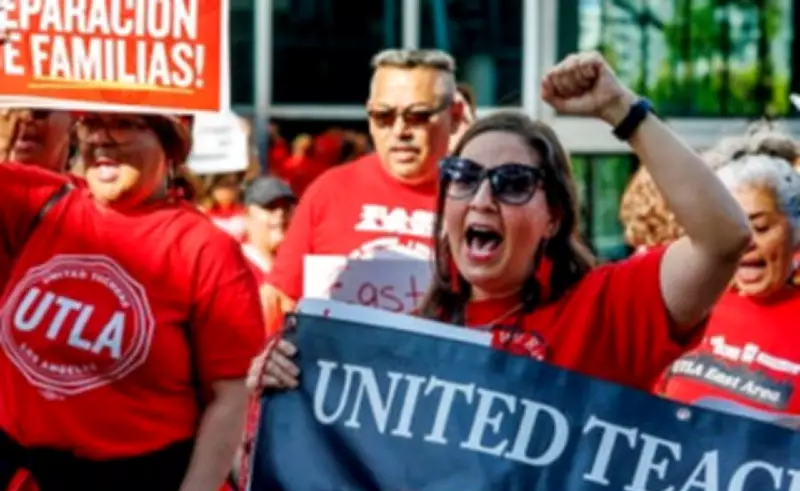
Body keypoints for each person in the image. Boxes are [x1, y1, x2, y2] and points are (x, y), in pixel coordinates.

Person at [248, 51, 750, 396]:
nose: (483, 198)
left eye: (511, 183)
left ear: (553, 216)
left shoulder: (605, 309)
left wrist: (624, 111)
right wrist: (283, 381)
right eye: (463, 177)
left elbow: (724, 238)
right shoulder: (414, 336)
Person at [0, 111, 265, 491]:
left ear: (172, 144)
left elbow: (230, 396)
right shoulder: (40, 203)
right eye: (91, 121)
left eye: (125, 123)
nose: (103, 136)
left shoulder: (206, 251)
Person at [260, 48, 464, 332]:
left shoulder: (478, 197)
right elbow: (279, 300)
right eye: (383, 116)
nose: (399, 130)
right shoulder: (330, 191)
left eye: (417, 116)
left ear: (454, 116)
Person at [660, 125, 800, 422]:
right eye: (729, 229)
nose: (745, 242)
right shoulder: (688, 307)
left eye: (760, 227)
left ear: (795, 231)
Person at [241, 176, 297, 285]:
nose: (280, 213)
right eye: (270, 206)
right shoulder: (237, 265)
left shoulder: (300, 264)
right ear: (247, 217)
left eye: (286, 207)